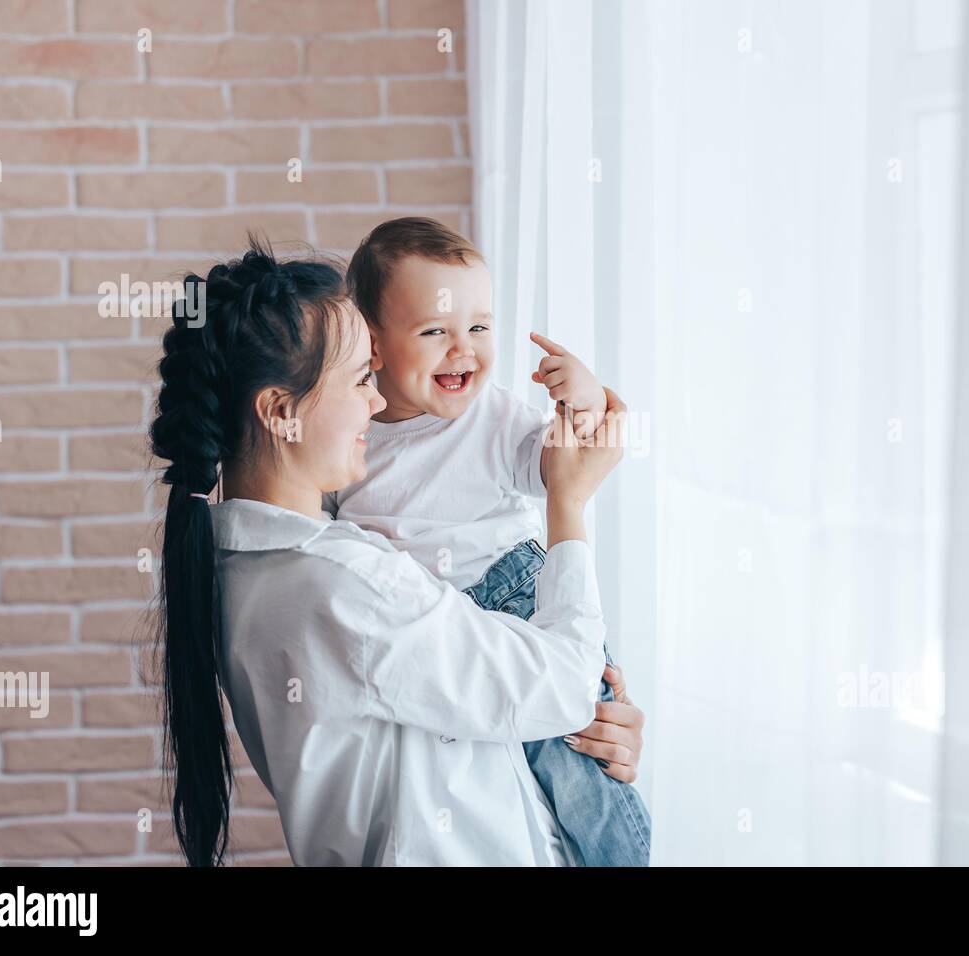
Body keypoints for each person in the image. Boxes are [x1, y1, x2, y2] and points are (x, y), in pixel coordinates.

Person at [149, 237, 641, 866]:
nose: (378, 402)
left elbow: (470, 723)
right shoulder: (345, 583)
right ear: (280, 412)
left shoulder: (244, 570)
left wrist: (581, 732)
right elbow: (564, 686)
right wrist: (568, 505)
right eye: (361, 378)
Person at [331, 217, 651, 865]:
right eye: (434, 331)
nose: (464, 350)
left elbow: (560, 459)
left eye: (479, 327)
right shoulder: (351, 441)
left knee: (582, 771)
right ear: (373, 342)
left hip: (519, 599)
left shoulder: (494, 414)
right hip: (434, 629)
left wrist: (583, 398)